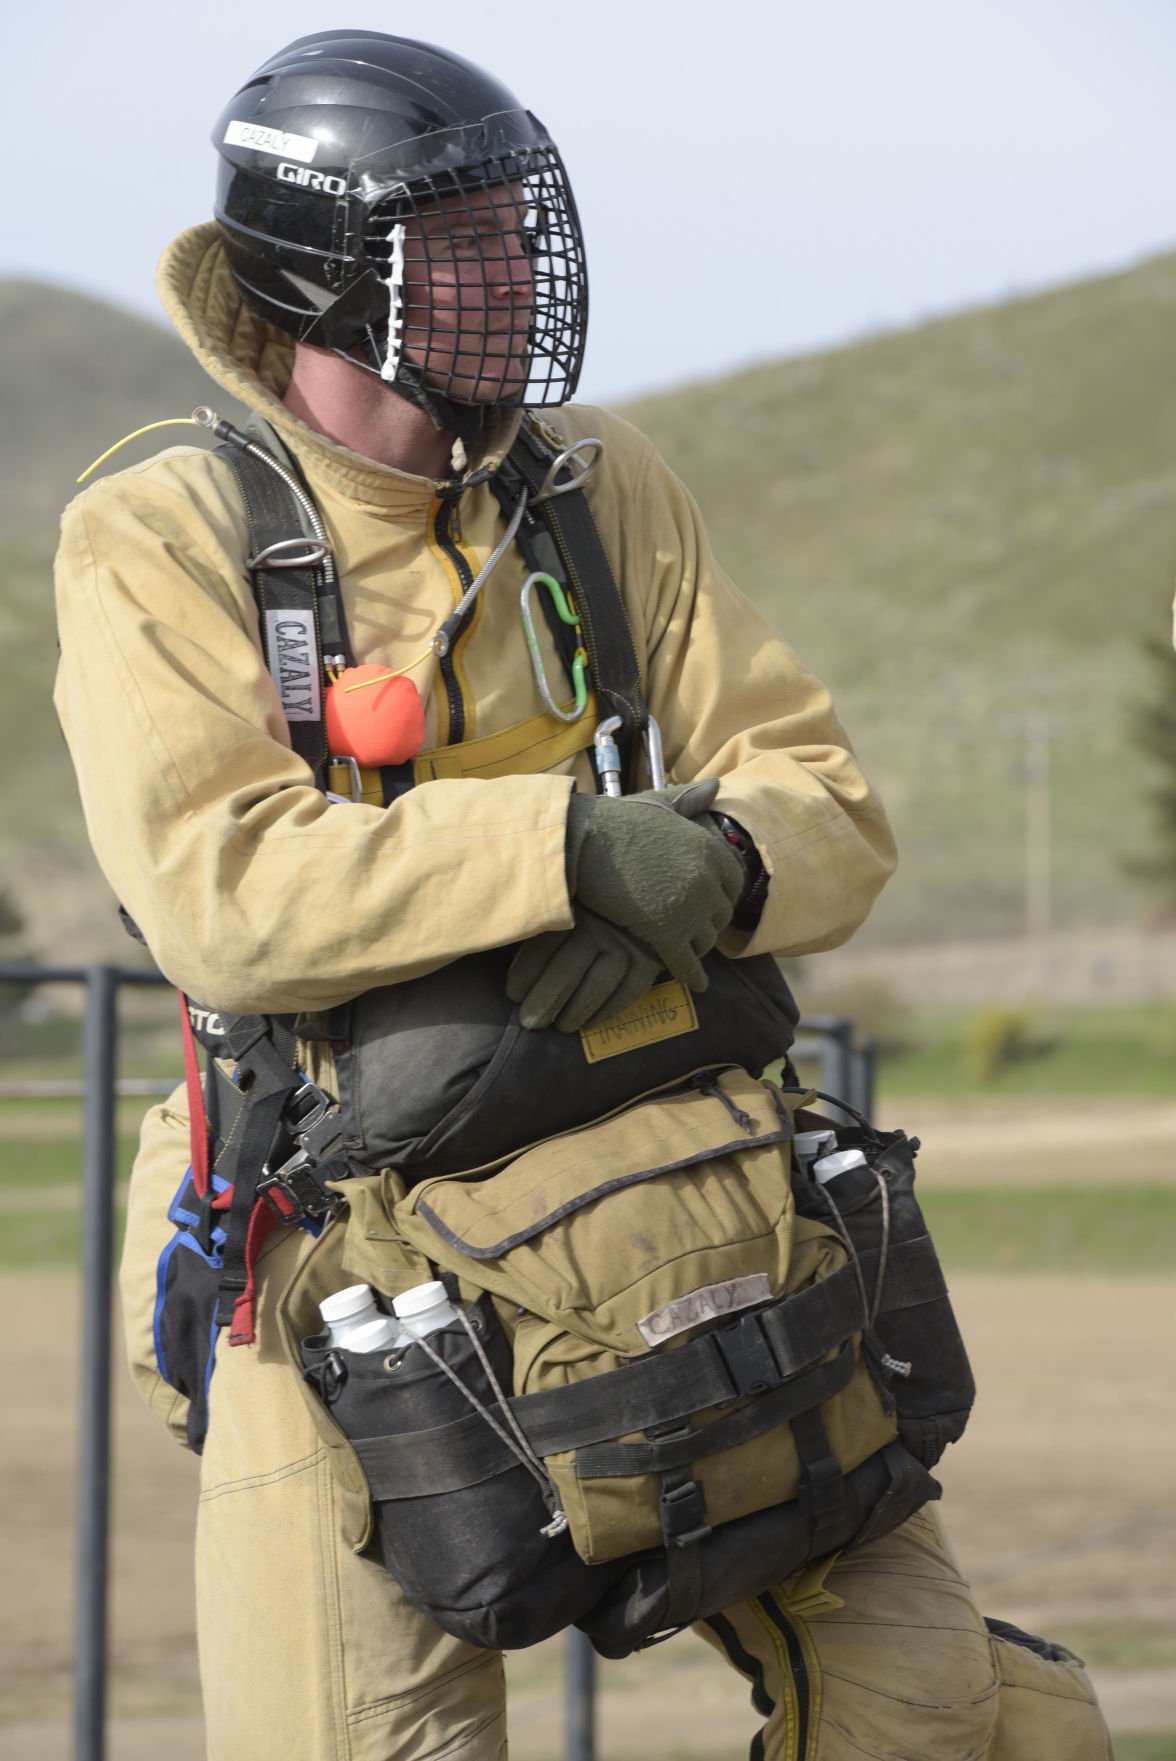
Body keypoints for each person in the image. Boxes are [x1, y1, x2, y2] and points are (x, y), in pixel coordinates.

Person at [54, 30, 1110, 1761]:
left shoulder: (600, 484)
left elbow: (828, 807)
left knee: (944, 1715)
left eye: (521, 229)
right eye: (463, 241)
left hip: (679, 1182)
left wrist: (701, 864)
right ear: (323, 272)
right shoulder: (161, 534)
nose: (523, 271)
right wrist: (572, 853)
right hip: (340, 1242)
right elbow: (225, 892)